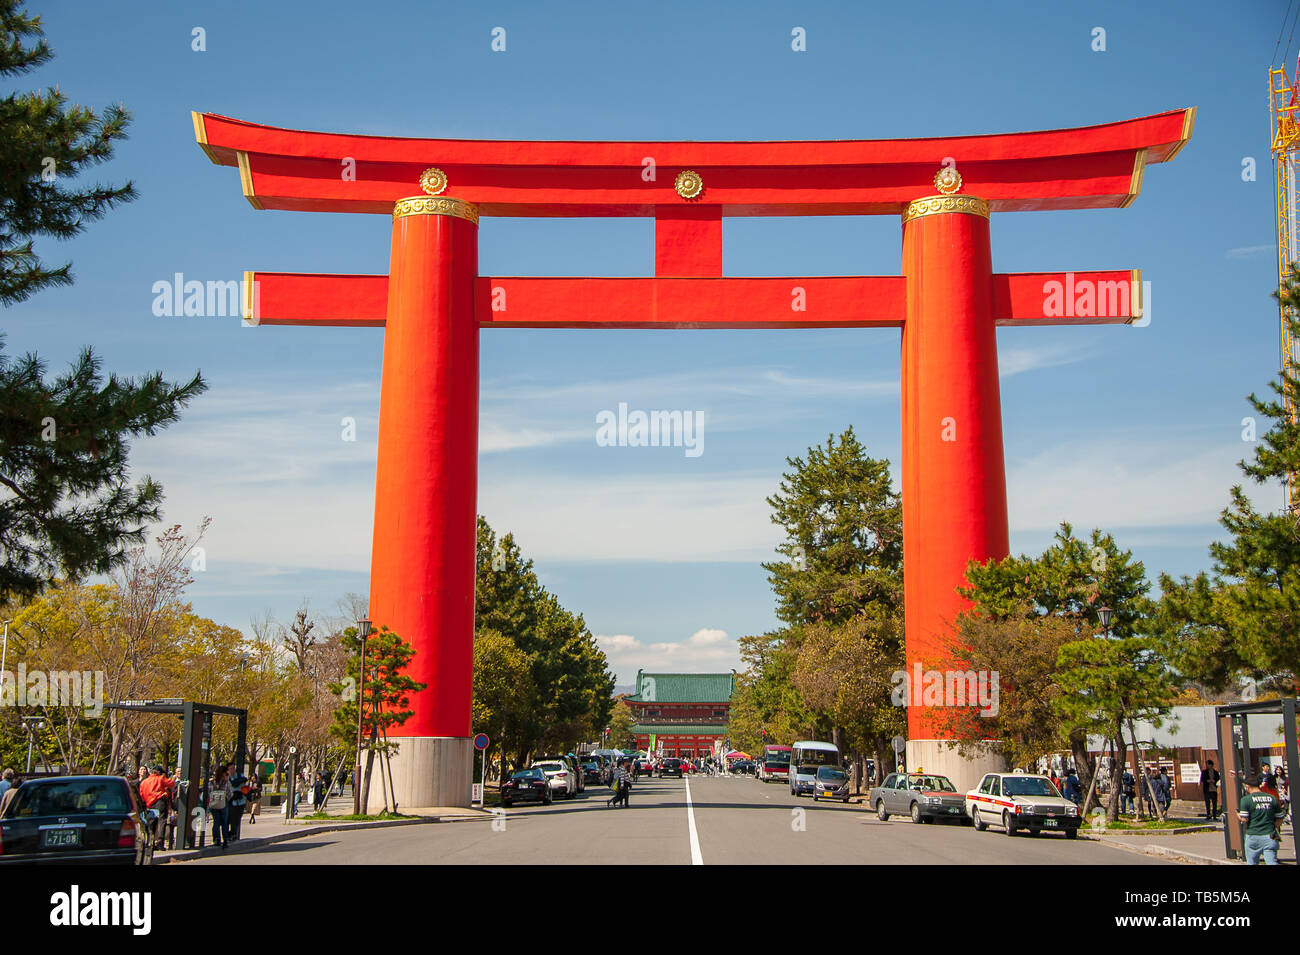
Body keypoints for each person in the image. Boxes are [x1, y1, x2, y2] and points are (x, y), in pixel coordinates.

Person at [1238, 772, 1285, 865]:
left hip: (1253, 835)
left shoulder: (1246, 800)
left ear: (1247, 786)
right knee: (1272, 862)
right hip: (1270, 835)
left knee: (1252, 862)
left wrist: (1237, 814)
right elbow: (1280, 818)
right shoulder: (1272, 798)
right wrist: (1274, 826)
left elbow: (1244, 819)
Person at [138, 765, 174, 839]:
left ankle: (150, 840)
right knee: (162, 820)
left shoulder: (144, 782)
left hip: (149, 804)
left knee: (151, 822)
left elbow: (141, 794)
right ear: (159, 772)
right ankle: (160, 839)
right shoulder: (160, 778)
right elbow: (171, 784)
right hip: (159, 801)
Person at [208, 765, 233, 850]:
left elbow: (208, 792)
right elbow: (230, 794)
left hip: (214, 803)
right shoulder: (226, 782)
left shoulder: (211, 782)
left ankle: (216, 839)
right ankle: (225, 839)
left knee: (216, 822)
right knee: (224, 822)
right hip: (223, 803)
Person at [228, 764, 247, 841]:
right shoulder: (227, 778)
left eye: (233, 768)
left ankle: (233, 834)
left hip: (240, 801)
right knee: (229, 819)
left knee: (236, 819)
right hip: (230, 801)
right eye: (230, 769)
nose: (232, 770)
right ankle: (230, 834)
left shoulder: (240, 776)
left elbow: (243, 782)